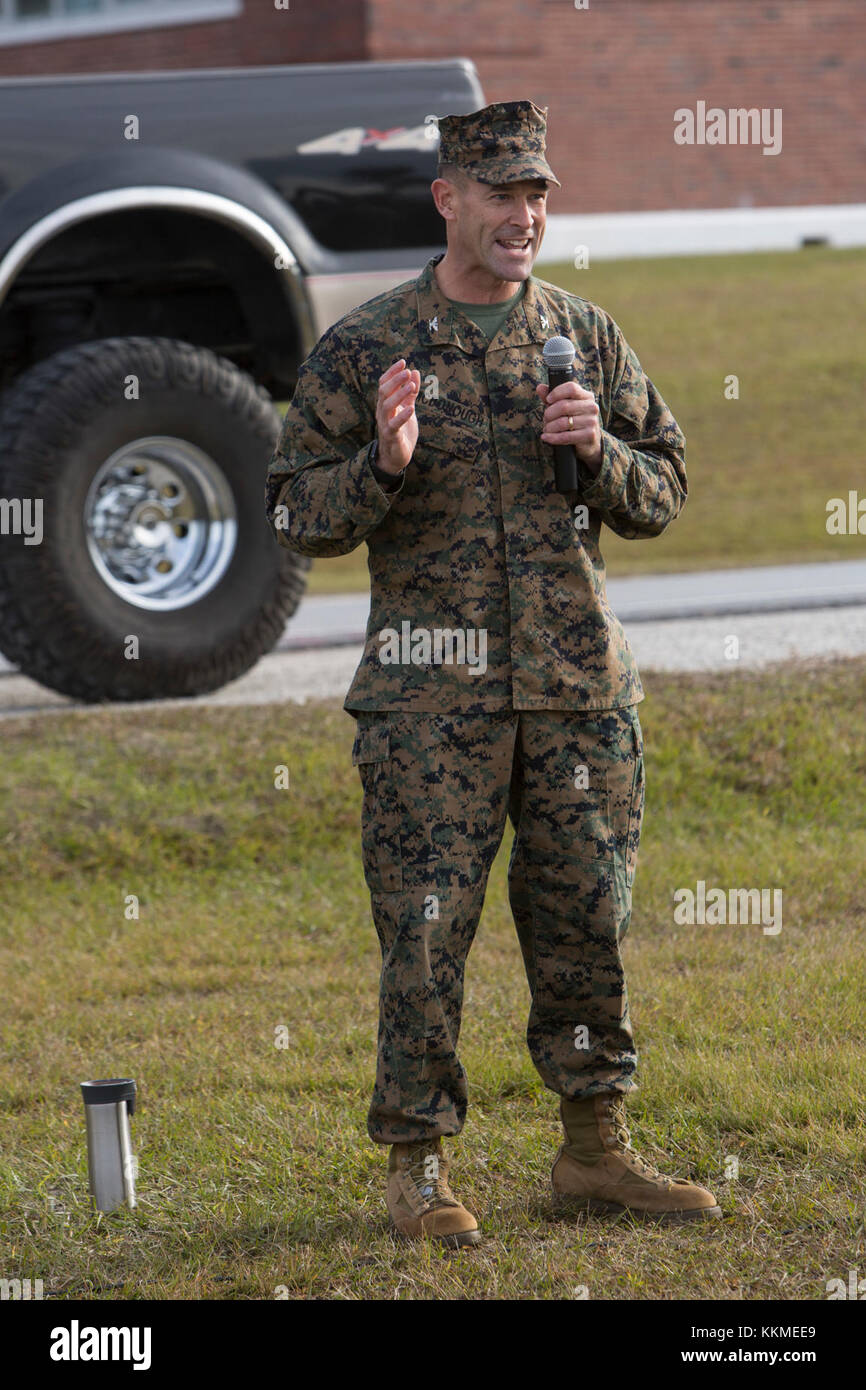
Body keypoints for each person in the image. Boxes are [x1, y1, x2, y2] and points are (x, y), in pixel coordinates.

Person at [265, 100, 721, 1248]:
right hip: (432, 705)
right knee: (425, 928)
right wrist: (381, 461)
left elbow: (662, 487)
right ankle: (416, 1165)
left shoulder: (584, 335)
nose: (524, 214)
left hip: (575, 692)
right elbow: (290, 509)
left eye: (538, 194)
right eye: (503, 193)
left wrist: (597, 451)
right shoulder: (370, 346)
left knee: (584, 921)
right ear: (448, 201)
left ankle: (593, 1150)